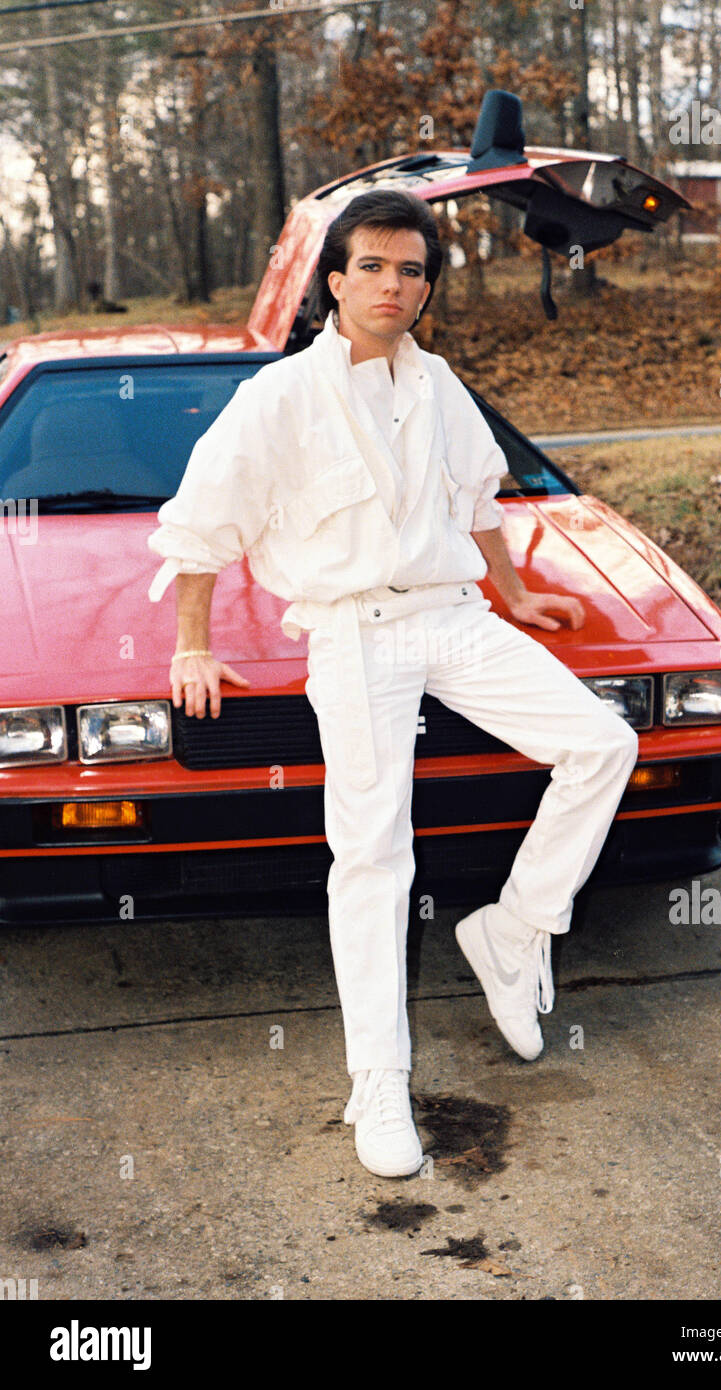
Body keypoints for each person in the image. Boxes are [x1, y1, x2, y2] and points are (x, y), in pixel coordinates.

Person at [147, 190, 638, 1179]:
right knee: (373, 856)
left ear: (424, 288)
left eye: (411, 269)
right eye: (372, 265)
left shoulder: (438, 382)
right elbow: (200, 526)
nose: (393, 284)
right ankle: (376, 1080)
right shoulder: (278, 398)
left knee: (601, 743)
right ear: (334, 280)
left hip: (450, 618)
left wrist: (515, 596)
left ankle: (511, 929)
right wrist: (189, 646)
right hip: (353, 632)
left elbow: (476, 497)